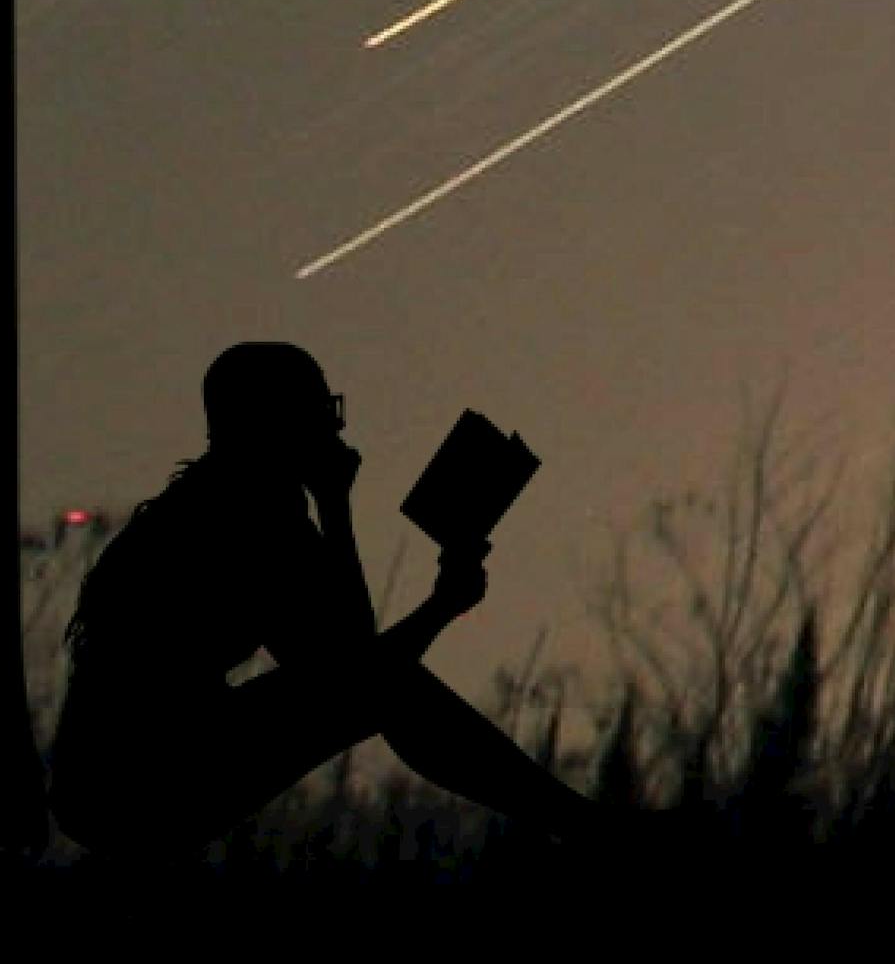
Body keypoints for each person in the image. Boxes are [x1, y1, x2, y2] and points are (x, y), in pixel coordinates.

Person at [49, 338, 560, 857]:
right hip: (135, 780)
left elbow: (346, 667)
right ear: (274, 419)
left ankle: (578, 821)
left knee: (388, 681)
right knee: (391, 683)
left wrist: (437, 607)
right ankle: (582, 824)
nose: (335, 427)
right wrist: (342, 511)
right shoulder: (239, 520)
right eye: (319, 409)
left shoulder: (228, 503)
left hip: (134, 770)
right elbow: (352, 670)